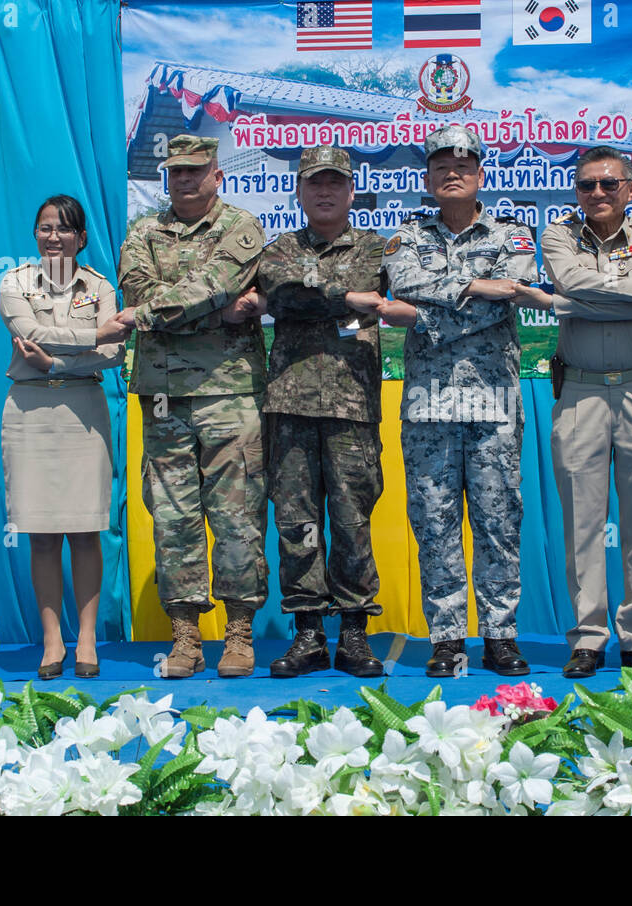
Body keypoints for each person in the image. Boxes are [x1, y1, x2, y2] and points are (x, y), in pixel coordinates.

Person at [514, 145, 632, 679]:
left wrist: (564, 300)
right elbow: (576, 282)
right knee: (582, 524)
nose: (598, 194)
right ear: (576, 191)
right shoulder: (559, 234)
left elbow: (606, 298)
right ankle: (587, 637)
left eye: (610, 184)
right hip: (581, 392)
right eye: (587, 185)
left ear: (631, 189)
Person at [381, 125, 538, 678]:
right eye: (441, 165)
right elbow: (403, 284)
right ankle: (446, 637)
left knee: (499, 519)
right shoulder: (406, 238)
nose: (452, 173)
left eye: (463, 165)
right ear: (427, 177)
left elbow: (511, 295)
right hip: (429, 404)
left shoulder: (511, 235)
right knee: (435, 519)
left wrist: (432, 306)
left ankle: (500, 634)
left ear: (479, 175)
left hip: (493, 400)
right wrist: (476, 286)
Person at [227, 145, 388, 678]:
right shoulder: (277, 251)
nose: (324, 192)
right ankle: (309, 634)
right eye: (314, 183)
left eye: (334, 183)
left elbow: (349, 294)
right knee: (298, 522)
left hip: (352, 406)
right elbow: (287, 297)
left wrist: (327, 294)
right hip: (289, 404)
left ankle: (356, 634)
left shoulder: (374, 248)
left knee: (351, 520)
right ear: (298, 191)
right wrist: (347, 297)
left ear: (349, 190)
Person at [115, 134, 268, 679]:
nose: (183, 179)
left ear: (217, 174)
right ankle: (185, 637)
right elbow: (137, 292)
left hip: (230, 393)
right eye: (174, 171)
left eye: (194, 170)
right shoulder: (142, 231)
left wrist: (161, 312)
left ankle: (238, 633)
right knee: (172, 517)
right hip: (162, 396)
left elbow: (214, 283)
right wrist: (213, 312)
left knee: (237, 515)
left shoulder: (242, 227)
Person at [0, 194, 130, 679]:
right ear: (35, 234)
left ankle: (88, 640)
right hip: (29, 411)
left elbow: (117, 354)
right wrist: (95, 337)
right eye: (45, 228)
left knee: (85, 530)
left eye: (63, 229)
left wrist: (56, 362)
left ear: (81, 238)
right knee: (42, 535)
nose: (53, 236)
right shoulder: (13, 281)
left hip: (83, 411)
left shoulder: (98, 286)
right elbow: (31, 330)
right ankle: (53, 641)